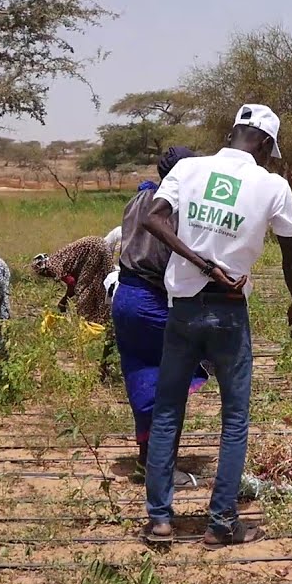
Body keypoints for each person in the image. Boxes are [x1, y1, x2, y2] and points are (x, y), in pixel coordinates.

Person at [142, 104, 292, 548]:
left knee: (168, 412)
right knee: (234, 418)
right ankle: (220, 524)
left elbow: (152, 218)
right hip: (230, 311)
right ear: (266, 144)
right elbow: (290, 254)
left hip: (182, 308)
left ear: (233, 132)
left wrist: (197, 262)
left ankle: (160, 521)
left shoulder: (188, 169)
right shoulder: (272, 185)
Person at [111, 148, 209, 489]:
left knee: (142, 375)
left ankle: (146, 460)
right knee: (173, 380)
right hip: (153, 299)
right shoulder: (173, 207)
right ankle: (163, 467)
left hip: (125, 297)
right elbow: (175, 259)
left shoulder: (139, 198)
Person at [32, 235, 113, 324]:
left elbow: (72, 283)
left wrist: (63, 301)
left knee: (83, 290)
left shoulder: (52, 268)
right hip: (101, 244)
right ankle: (105, 318)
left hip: (94, 249)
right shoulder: (56, 259)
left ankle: (89, 320)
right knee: (100, 282)